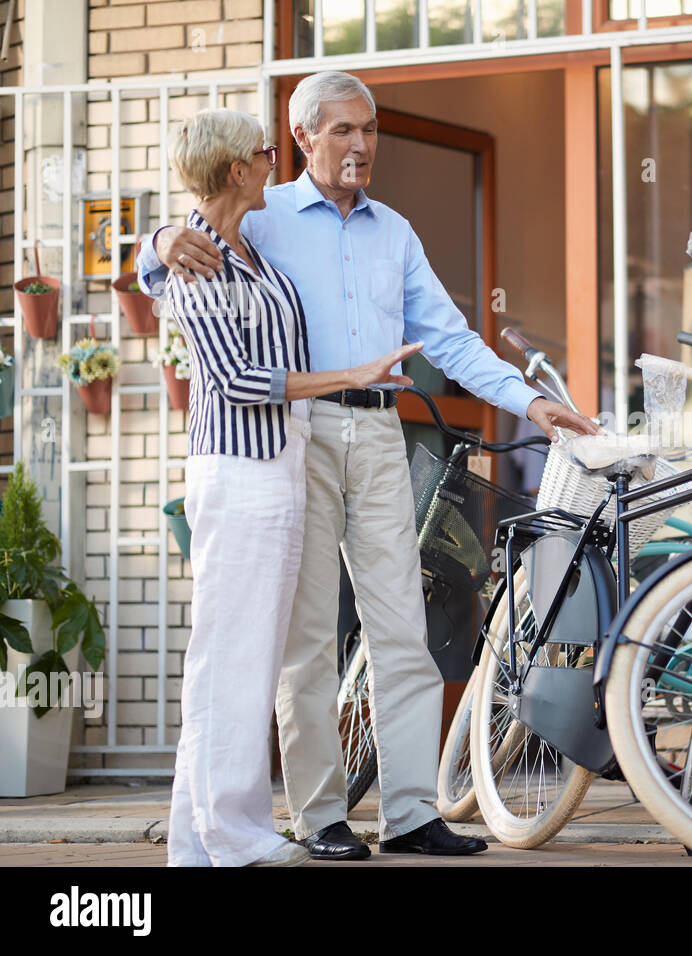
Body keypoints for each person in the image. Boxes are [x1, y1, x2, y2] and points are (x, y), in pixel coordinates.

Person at [139, 72, 597, 860]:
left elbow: (450, 340)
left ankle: (413, 812)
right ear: (303, 138)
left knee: (402, 629)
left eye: (370, 130)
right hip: (296, 436)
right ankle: (319, 817)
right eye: (343, 131)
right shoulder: (265, 211)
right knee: (310, 637)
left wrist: (529, 401)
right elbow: (178, 262)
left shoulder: (395, 232)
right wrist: (149, 245)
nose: (361, 145)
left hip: (383, 440)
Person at [163, 108, 422, 867]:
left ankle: (199, 841)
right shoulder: (198, 260)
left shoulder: (251, 246)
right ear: (236, 169)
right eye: (262, 150)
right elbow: (240, 380)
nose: (273, 156)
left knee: (243, 657)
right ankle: (233, 834)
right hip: (237, 473)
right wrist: (353, 374)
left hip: (279, 473)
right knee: (231, 661)